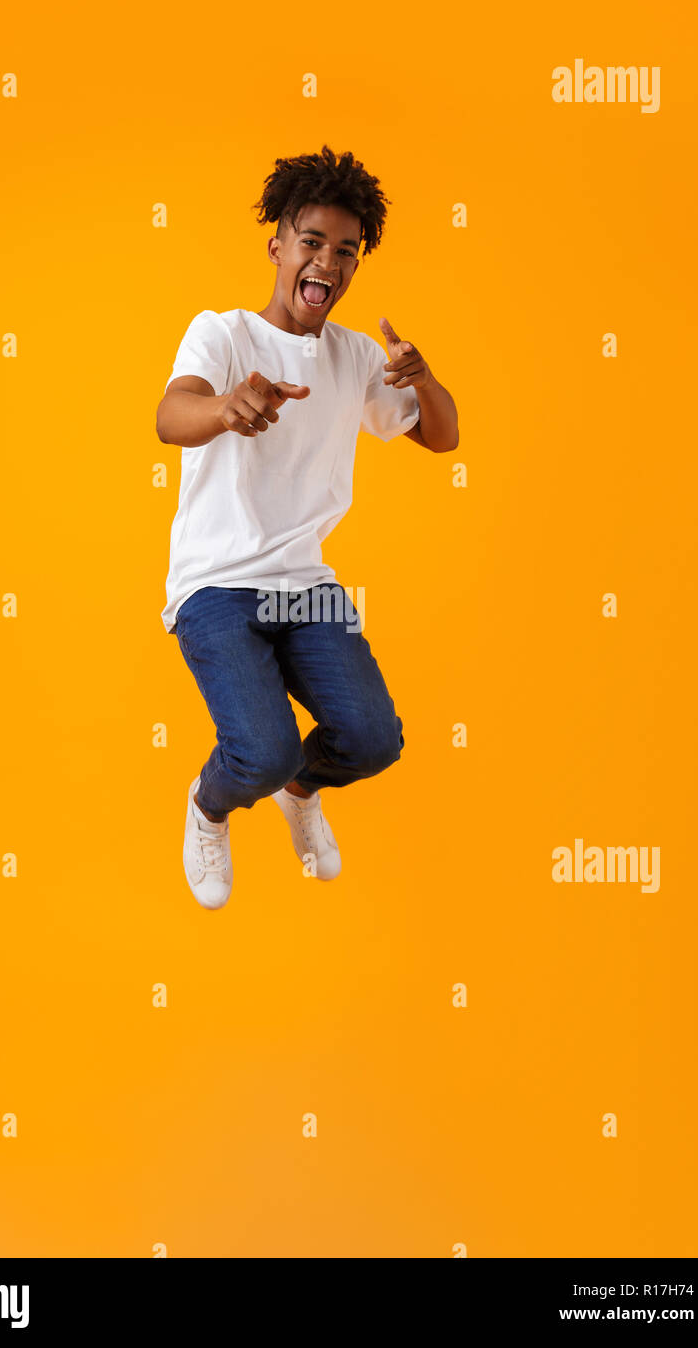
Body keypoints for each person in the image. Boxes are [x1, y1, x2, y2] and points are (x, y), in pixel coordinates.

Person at [156, 145, 459, 909]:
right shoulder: (222, 334)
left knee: (373, 739)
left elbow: (443, 436)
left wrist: (421, 376)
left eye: (347, 251)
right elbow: (170, 415)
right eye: (313, 242)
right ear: (278, 247)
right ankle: (209, 804)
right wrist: (228, 408)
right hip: (219, 586)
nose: (328, 261)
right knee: (259, 751)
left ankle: (303, 789)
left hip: (305, 588)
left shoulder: (357, 356)